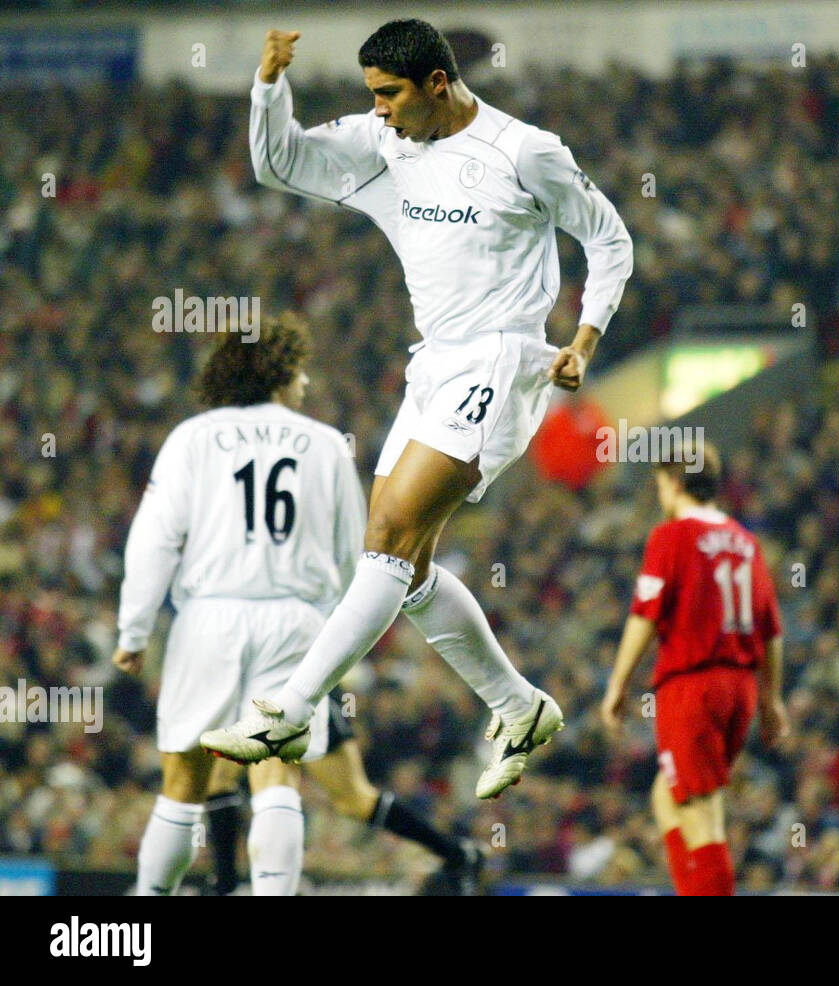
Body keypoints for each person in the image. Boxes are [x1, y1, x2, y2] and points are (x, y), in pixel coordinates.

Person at [201, 19, 634, 800]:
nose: (379, 110)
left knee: (390, 538)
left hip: (501, 360)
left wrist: (585, 340)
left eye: (390, 93)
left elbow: (609, 240)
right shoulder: (387, 140)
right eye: (372, 94)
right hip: (432, 364)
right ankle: (518, 705)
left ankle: (292, 708)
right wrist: (269, 86)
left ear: (439, 82)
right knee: (409, 563)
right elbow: (280, 162)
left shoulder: (525, 151)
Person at [113, 315, 361, 895]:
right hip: (297, 621)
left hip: (208, 618)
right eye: (300, 371)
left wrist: (134, 631)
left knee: (183, 779)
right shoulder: (326, 444)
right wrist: (345, 637)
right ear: (279, 371)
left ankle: (146, 908)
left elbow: (153, 541)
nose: (305, 384)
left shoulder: (194, 437)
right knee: (276, 773)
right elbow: (354, 556)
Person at [601, 443, 787, 896]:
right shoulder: (746, 541)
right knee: (668, 797)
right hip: (739, 687)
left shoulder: (671, 536)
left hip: (693, 686)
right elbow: (771, 631)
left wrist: (617, 684)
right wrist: (771, 698)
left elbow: (645, 613)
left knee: (702, 816)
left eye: (662, 481)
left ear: (674, 481)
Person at [204, 688, 485, 896]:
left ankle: (227, 884)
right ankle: (456, 852)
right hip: (268, 691)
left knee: (285, 788)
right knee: (354, 801)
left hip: (284, 692)